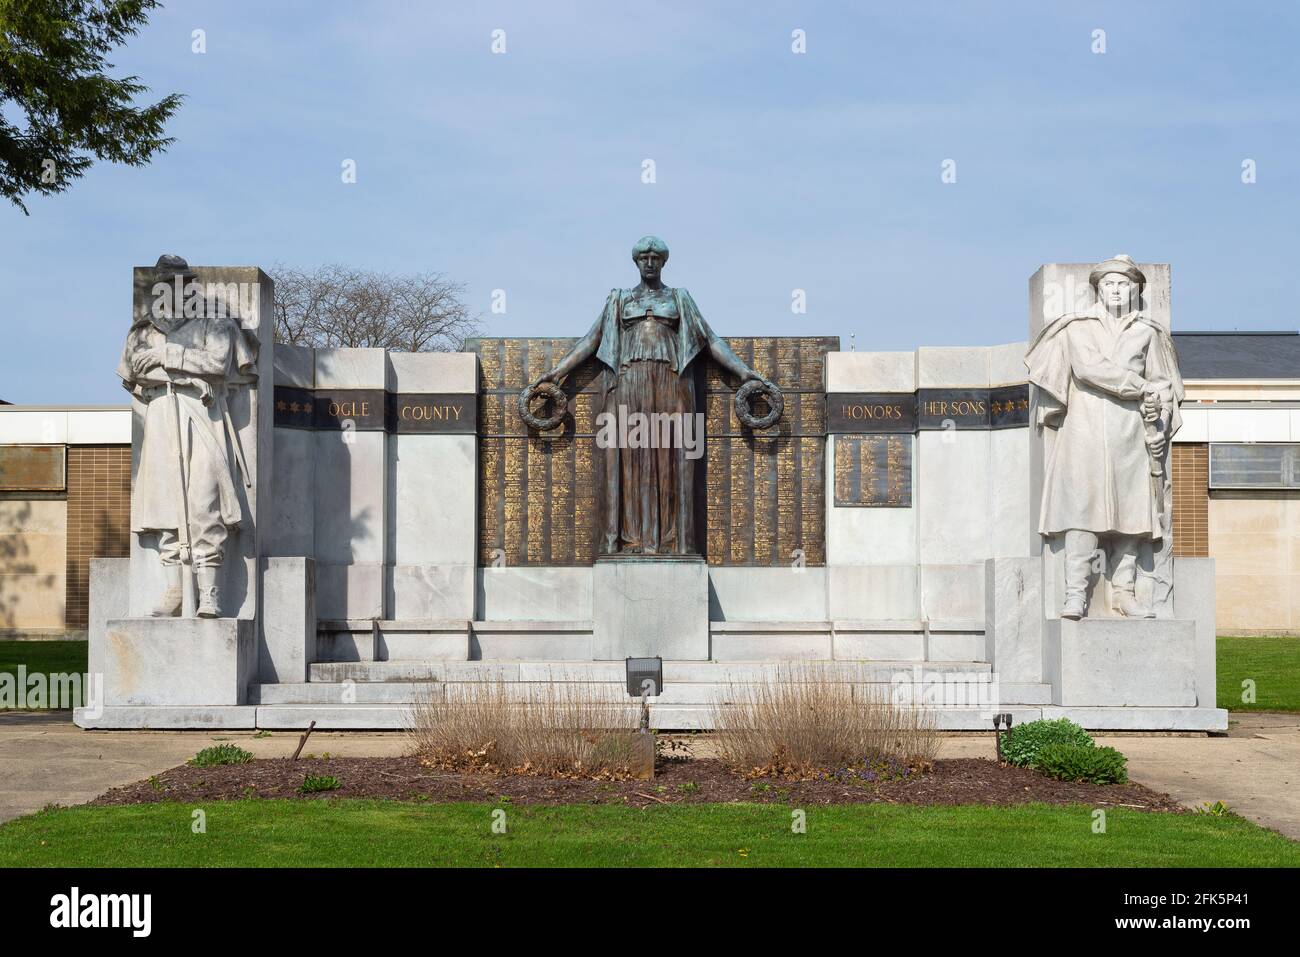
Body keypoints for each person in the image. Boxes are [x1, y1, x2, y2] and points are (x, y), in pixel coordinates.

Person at [530, 236, 775, 555]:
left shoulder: (679, 298)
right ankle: (631, 539)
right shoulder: (619, 300)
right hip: (629, 382)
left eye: (654, 257)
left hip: (671, 381)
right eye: (643, 257)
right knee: (631, 457)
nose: (649, 262)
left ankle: (672, 540)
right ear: (636, 262)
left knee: (671, 456)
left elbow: (710, 341)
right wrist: (557, 372)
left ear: (663, 262)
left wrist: (743, 371)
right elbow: (590, 341)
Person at [1024, 254, 1184, 619]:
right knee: (1083, 510)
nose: (1116, 289)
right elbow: (1088, 369)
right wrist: (1140, 387)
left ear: (1134, 289)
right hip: (1086, 429)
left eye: (1124, 284)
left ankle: (1123, 592)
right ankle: (1075, 593)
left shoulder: (1148, 332)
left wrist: (1158, 420)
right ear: (1098, 289)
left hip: (1130, 433)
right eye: (1109, 283)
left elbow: (1163, 384)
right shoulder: (1077, 328)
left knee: (1133, 515)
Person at [116, 255, 258, 617]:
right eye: (162, 285)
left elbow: (217, 364)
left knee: (203, 503)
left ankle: (208, 592)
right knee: (165, 506)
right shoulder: (143, 331)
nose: (170, 291)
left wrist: (168, 356)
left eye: (177, 284)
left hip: (203, 417)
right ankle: (175, 590)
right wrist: (186, 374)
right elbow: (136, 373)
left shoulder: (215, 322)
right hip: (162, 416)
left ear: (187, 286)